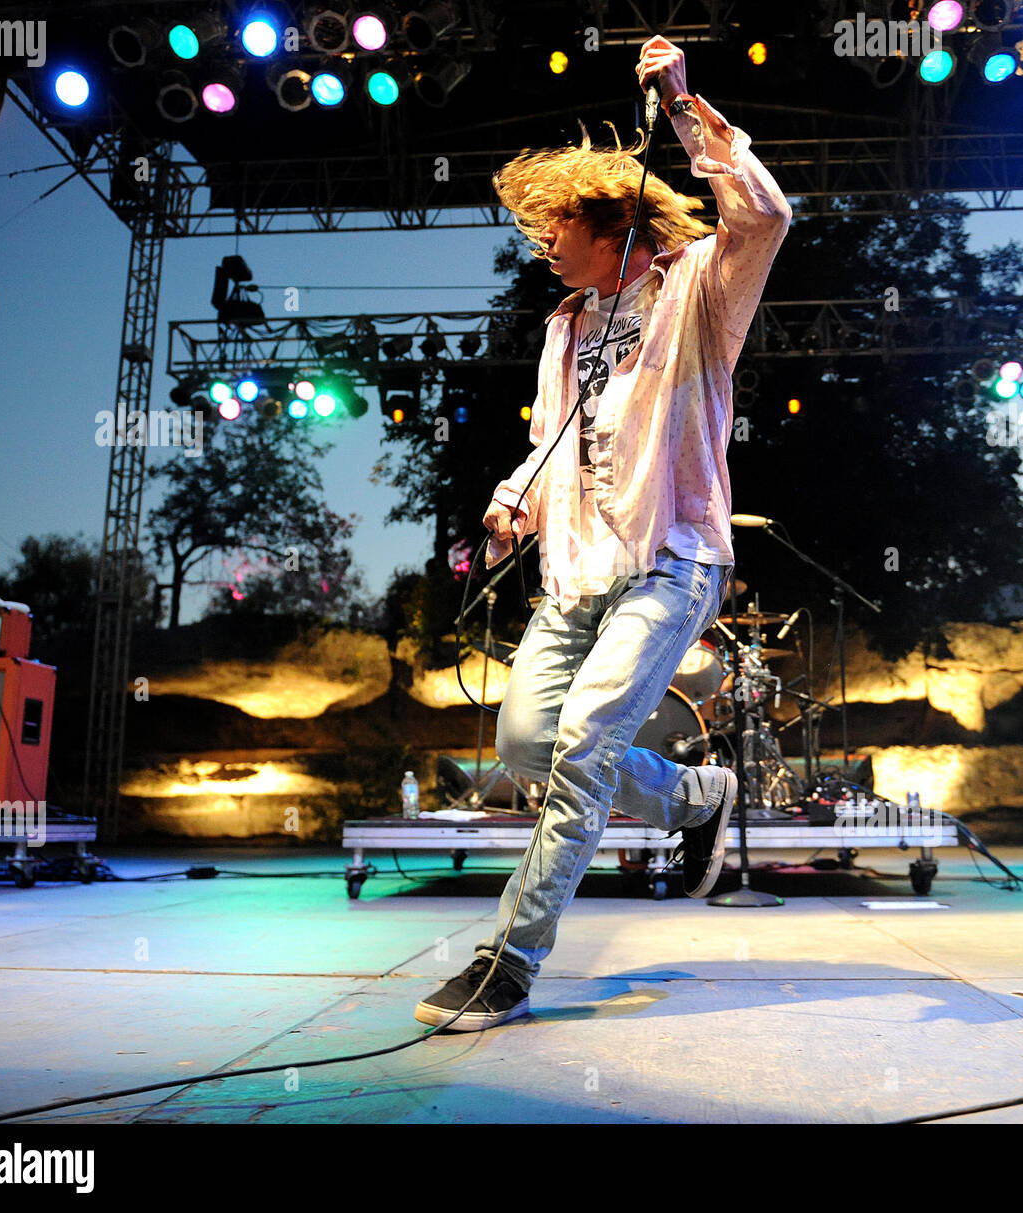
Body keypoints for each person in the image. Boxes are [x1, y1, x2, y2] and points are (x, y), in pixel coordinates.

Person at [415, 36, 792, 1032]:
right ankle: (694, 795)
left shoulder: (694, 291)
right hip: (574, 573)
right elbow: (553, 446)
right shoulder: (563, 327)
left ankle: (510, 960)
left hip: (671, 561)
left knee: (582, 743)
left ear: (607, 223)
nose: (538, 238)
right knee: (530, 743)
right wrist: (510, 504)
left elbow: (766, 211)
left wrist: (677, 105)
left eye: (552, 223)